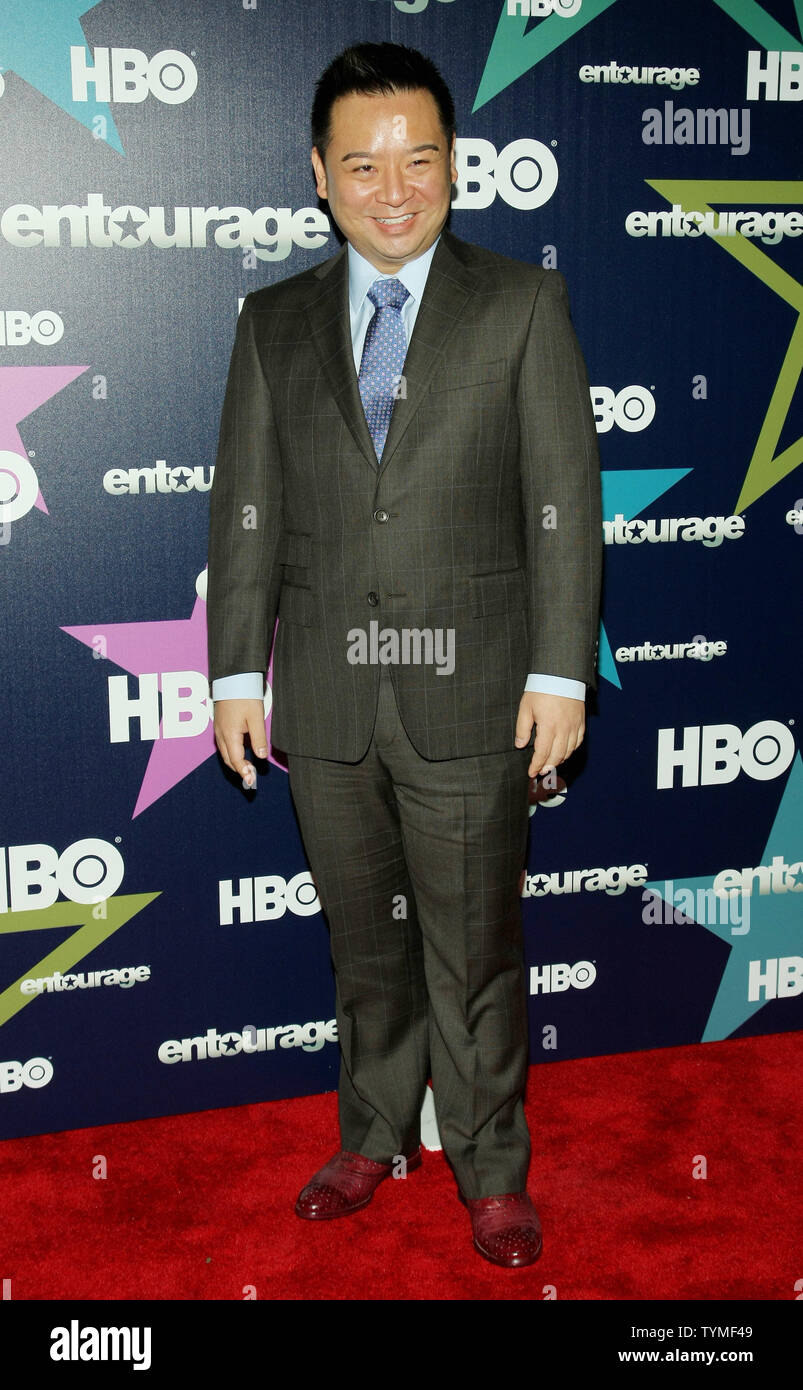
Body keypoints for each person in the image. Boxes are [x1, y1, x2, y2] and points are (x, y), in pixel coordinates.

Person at [207, 41, 602, 1269]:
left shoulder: (520, 304)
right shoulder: (271, 319)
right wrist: (232, 672)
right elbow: (248, 508)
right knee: (364, 942)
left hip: (474, 688)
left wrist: (558, 671)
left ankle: (490, 1168)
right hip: (322, 697)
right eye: (363, 164)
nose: (394, 189)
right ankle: (371, 1133)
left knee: (473, 946)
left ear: (451, 168)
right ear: (319, 176)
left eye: (418, 160)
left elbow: (562, 500)